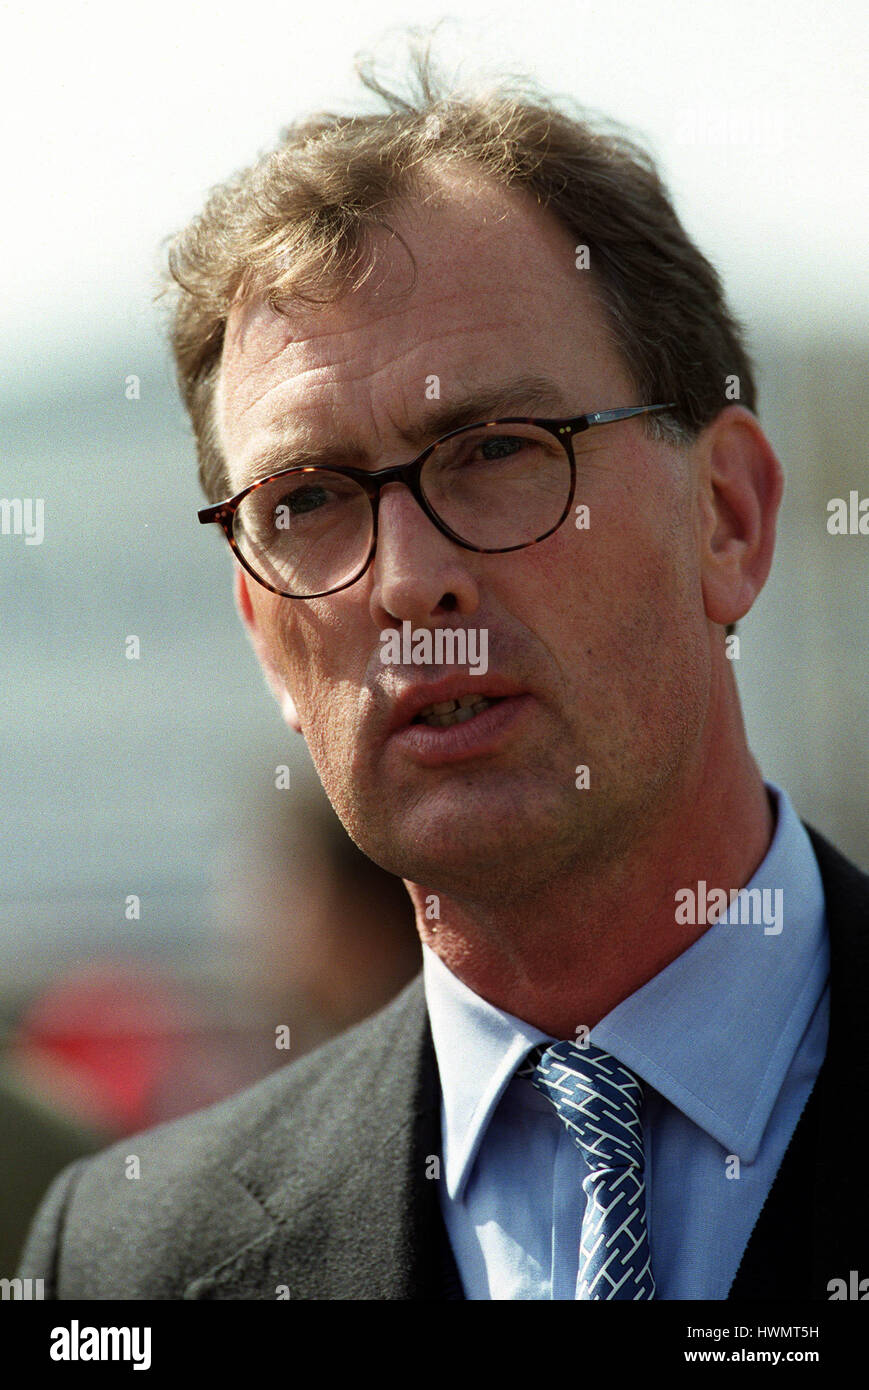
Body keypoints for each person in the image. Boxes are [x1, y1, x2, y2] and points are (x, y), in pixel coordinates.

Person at [19, 46, 868, 1301]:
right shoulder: (131, 1264)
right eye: (307, 499)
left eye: (492, 448)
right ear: (264, 633)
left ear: (727, 517)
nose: (407, 582)